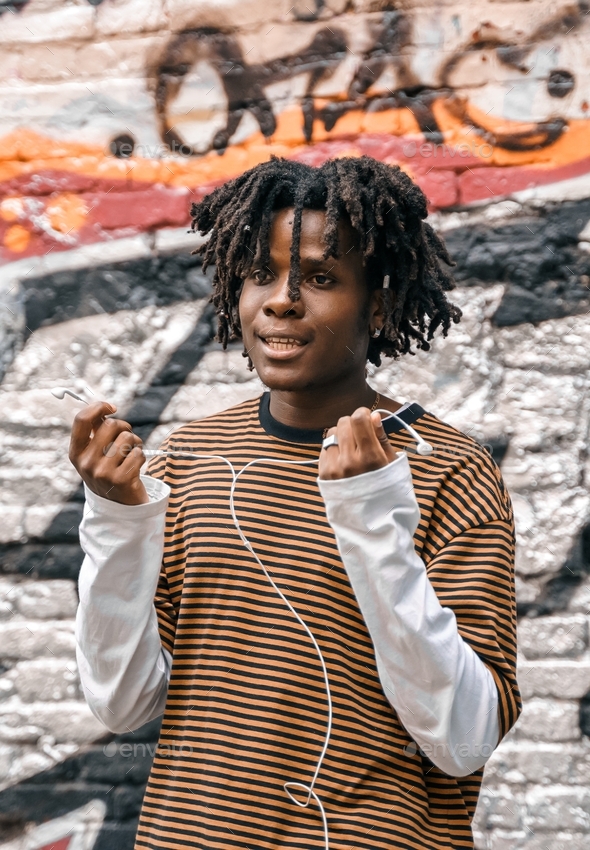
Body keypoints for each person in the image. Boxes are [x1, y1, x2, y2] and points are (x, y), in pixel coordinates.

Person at [70, 155, 521, 850]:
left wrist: (371, 518)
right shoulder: (191, 455)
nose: (281, 300)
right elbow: (123, 702)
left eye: (319, 277)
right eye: (258, 275)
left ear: (376, 303)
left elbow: (465, 738)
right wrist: (118, 518)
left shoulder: (449, 470)